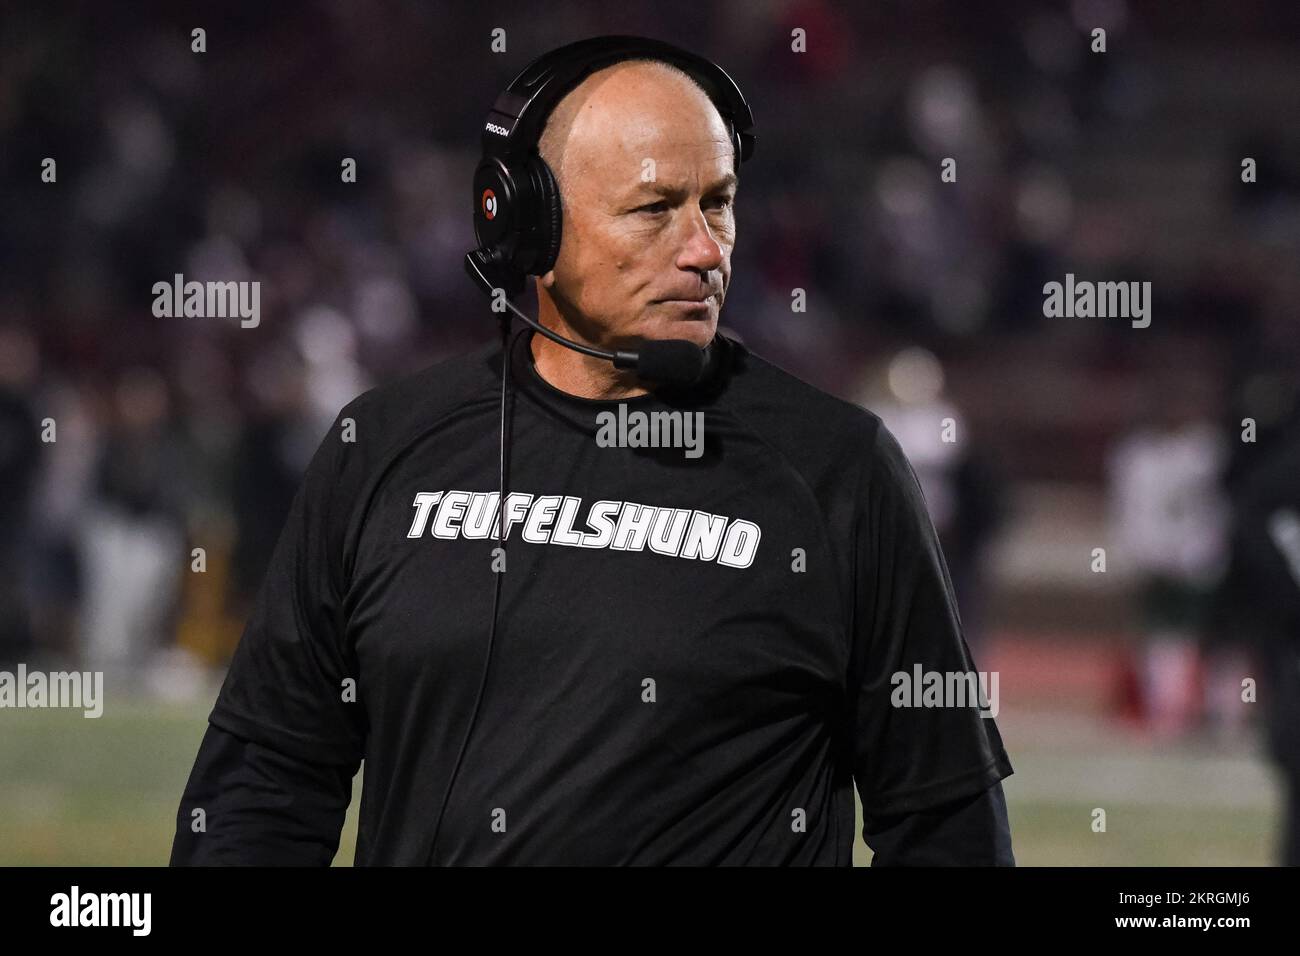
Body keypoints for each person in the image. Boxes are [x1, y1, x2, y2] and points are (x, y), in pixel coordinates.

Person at [171, 38, 1013, 866]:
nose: (705, 249)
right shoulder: (383, 447)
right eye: (654, 210)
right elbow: (266, 782)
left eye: (717, 202)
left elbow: (946, 823)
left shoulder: (840, 469)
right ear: (529, 223)